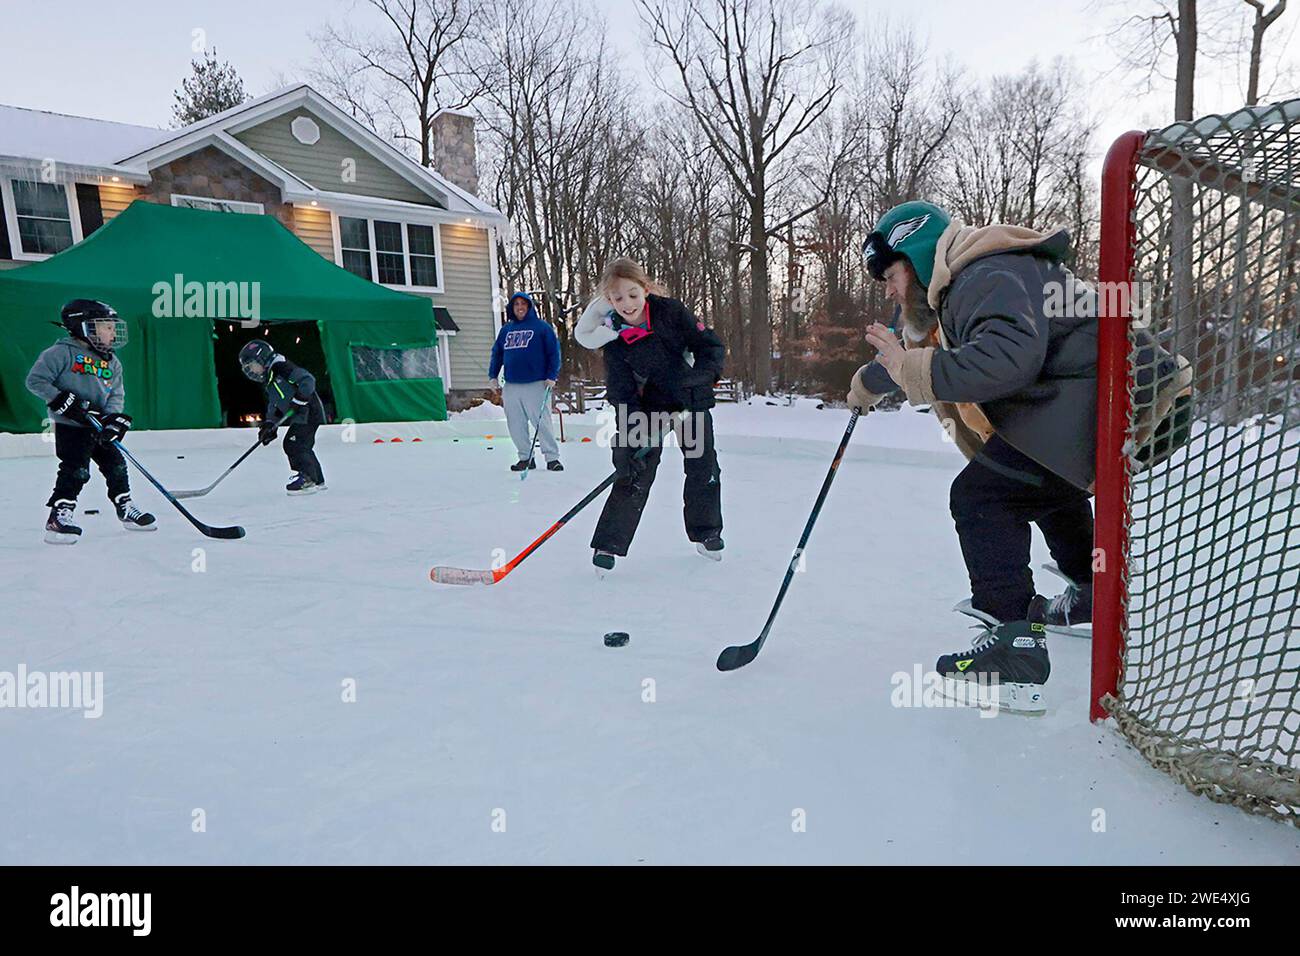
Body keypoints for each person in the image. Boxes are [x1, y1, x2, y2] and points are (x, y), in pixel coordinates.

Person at [849, 201, 1188, 712]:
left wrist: (911, 370)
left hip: (1125, 400)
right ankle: (1093, 595)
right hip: (1129, 400)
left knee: (981, 497)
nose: (891, 290)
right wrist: (868, 384)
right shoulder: (972, 282)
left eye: (892, 275)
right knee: (1044, 485)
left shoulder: (985, 274)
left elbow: (1006, 360)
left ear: (916, 257)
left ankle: (1016, 649)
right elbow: (924, 349)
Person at [575, 257, 725, 575]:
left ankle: (706, 532)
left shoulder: (670, 312)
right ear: (608, 300)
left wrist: (702, 377)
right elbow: (622, 392)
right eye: (617, 298)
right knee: (634, 469)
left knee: (703, 467)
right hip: (648, 408)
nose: (626, 304)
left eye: (632, 294)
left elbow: (709, 345)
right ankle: (609, 543)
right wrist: (627, 440)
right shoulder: (612, 336)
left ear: (644, 288)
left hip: (689, 399)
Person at [26, 298, 155, 543]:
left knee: (116, 465)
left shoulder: (112, 361)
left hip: (99, 425)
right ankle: (59, 516)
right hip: (72, 426)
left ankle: (125, 507)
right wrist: (61, 399)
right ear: (85, 327)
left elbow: (116, 393)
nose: (111, 332)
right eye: (106, 326)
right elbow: (36, 381)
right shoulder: (60, 353)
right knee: (76, 470)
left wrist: (113, 418)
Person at [238, 339, 328, 495]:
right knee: (301, 445)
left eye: (252, 365)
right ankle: (317, 480)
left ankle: (308, 479)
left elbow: (307, 380)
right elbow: (275, 404)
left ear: (262, 358)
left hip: (308, 412)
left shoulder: (282, 368)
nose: (252, 371)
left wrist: (298, 399)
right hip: (301, 415)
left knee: (294, 444)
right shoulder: (270, 378)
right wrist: (269, 424)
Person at [488, 292, 562, 472]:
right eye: (516, 304)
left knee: (541, 422)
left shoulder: (541, 328)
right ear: (511, 308)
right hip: (512, 384)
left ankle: (552, 458)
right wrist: (493, 376)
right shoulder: (506, 330)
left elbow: (554, 352)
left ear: (529, 307)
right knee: (515, 423)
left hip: (537, 383)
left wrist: (552, 375)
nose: (520, 307)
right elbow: (497, 353)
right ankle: (525, 457)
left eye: (523, 304)